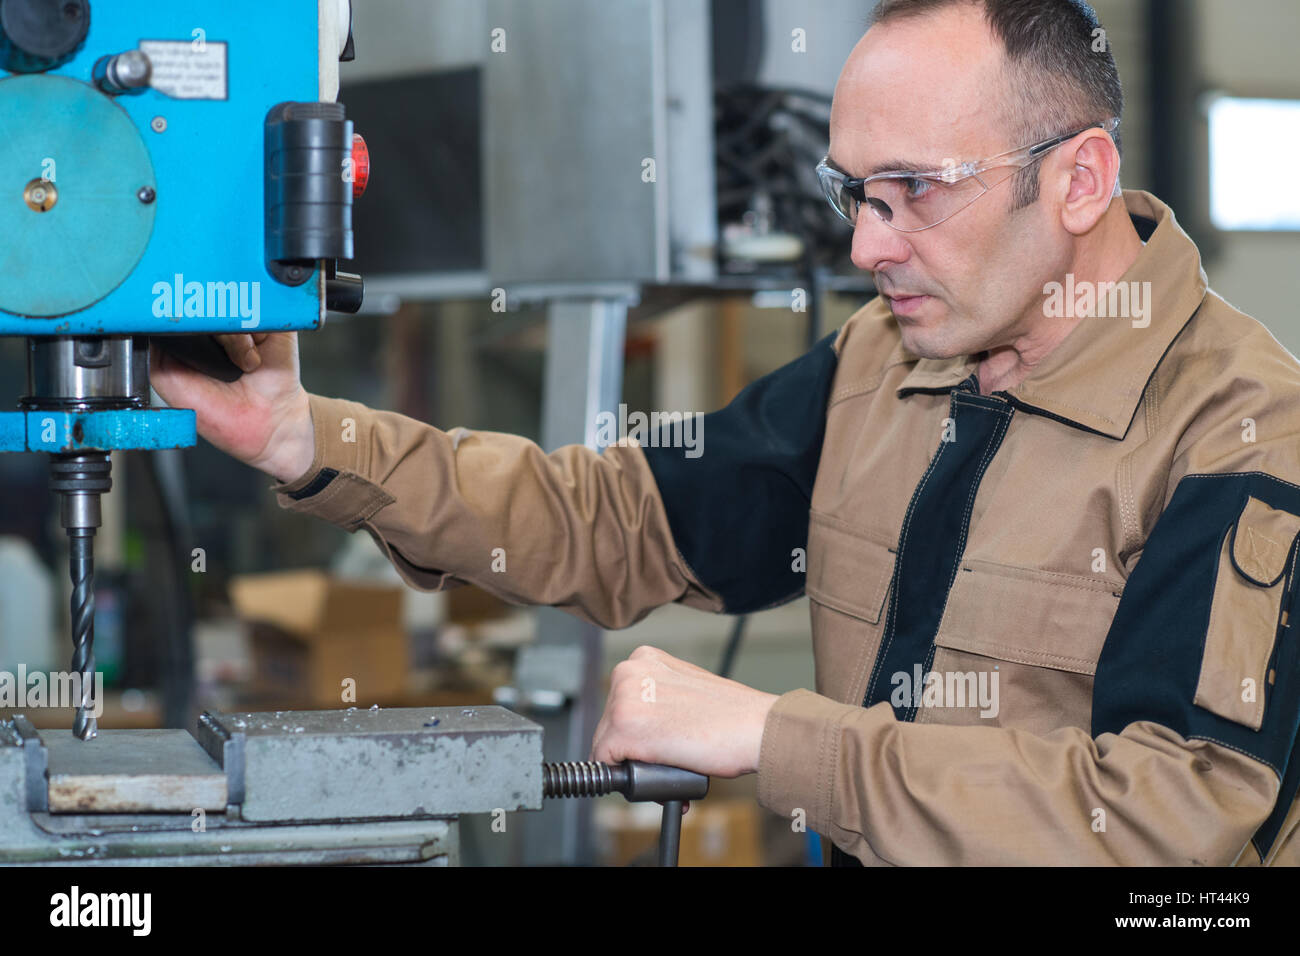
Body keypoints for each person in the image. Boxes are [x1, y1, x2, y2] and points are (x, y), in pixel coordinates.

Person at [152, 0, 1300, 865]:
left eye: (914, 190)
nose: (865, 248)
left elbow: (1172, 819)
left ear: (1080, 180)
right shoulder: (880, 363)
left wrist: (775, 736)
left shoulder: (1239, 432)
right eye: (854, 191)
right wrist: (314, 441)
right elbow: (613, 521)